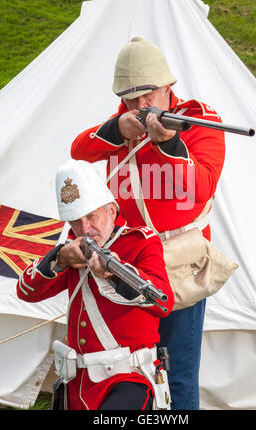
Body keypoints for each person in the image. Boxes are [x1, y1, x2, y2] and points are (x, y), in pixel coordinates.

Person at [70, 37, 226, 409]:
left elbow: (201, 187)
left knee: (179, 371)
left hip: (176, 263)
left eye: (148, 97)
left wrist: (168, 145)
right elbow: (78, 150)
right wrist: (116, 129)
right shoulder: (121, 123)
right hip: (127, 260)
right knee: (130, 369)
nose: (141, 107)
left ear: (168, 88)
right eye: (130, 99)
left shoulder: (199, 119)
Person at [16, 159, 174, 410]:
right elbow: (26, 292)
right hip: (78, 382)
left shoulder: (140, 241)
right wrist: (58, 259)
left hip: (128, 377)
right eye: (76, 222)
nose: (85, 228)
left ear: (111, 210)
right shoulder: (71, 249)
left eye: (91, 216)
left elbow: (163, 302)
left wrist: (113, 274)